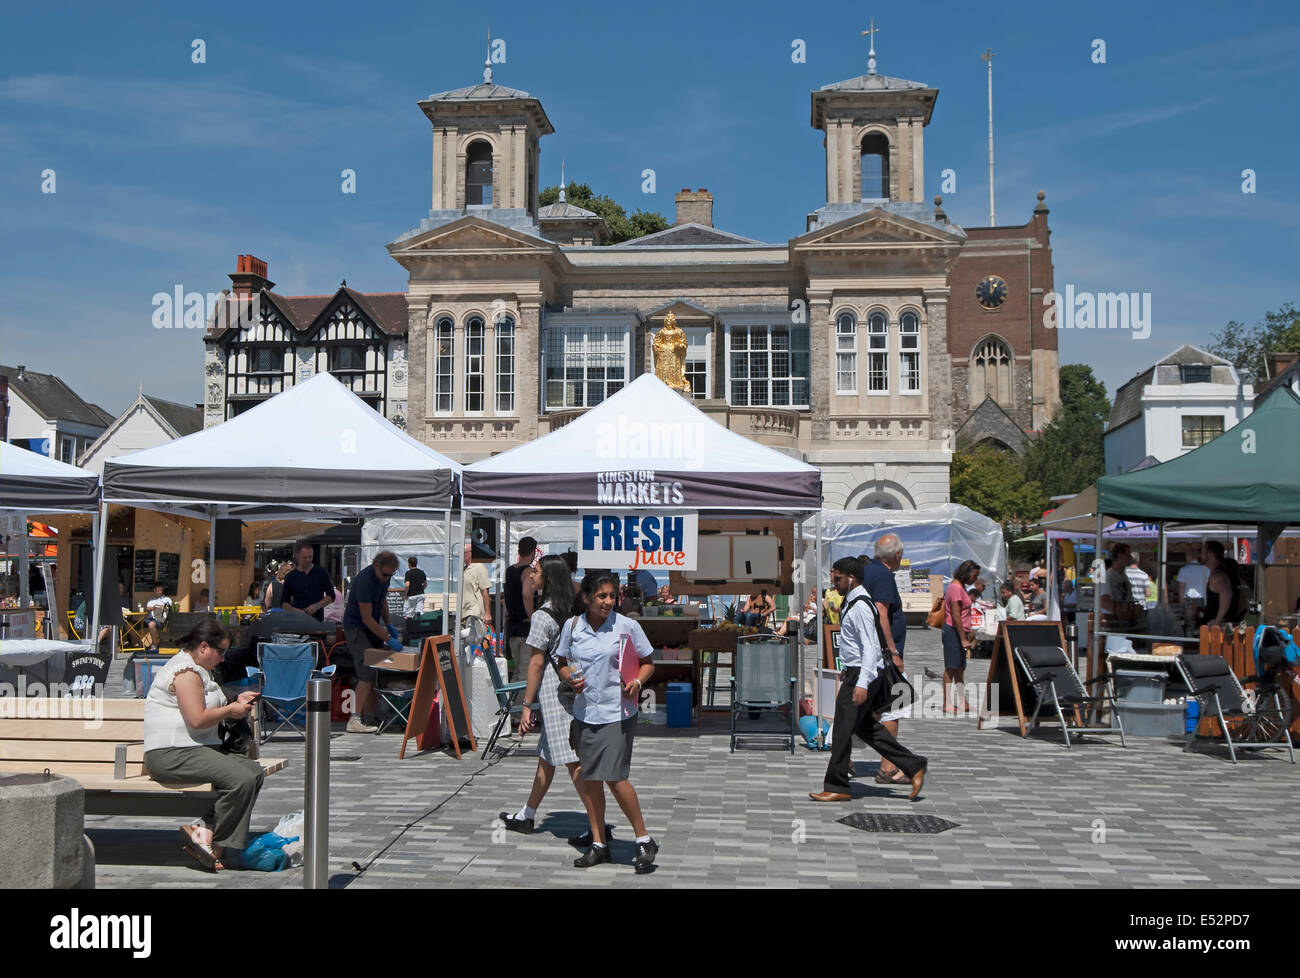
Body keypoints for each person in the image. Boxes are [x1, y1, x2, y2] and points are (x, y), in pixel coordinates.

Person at [555, 571, 658, 872]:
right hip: (585, 713)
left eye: (612, 596)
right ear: (587, 598)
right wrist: (569, 679)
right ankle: (599, 843)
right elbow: (562, 662)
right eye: (602, 596)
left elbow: (648, 663)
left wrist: (637, 682)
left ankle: (643, 838)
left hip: (618, 712)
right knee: (591, 778)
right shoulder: (572, 627)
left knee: (614, 777)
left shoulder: (628, 626)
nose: (608, 601)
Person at [500, 556, 606, 845]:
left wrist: (526, 705)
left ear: (547, 578)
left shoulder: (542, 616)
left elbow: (536, 662)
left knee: (573, 761)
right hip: (573, 684)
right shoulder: (574, 610)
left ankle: (598, 827)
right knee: (548, 756)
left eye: (535, 572)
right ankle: (527, 814)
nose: (530, 576)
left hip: (554, 691)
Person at [143, 618, 262, 871]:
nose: (223, 659)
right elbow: (196, 719)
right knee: (241, 779)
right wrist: (230, 710)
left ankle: (204, 832)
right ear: (204, 647)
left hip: (194, 750)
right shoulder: (185, 672)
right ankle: (215, 847)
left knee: (253, 772)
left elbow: (212, 701)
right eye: (221, 652)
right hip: (171, 754)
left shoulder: (199, 670)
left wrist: (237, 699)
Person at [809, 556, 927, 803]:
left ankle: (837, 785)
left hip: (864, 675)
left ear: (851, 578)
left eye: (838, 578)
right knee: (866, 728)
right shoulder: (852, 601)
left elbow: (871, 648)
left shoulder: (861, 605)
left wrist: (861, 683)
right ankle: (913, 765)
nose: (834, 583)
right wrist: (848, 667)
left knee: (842, 731)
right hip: (856, 671)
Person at [861, 535, 910, 783]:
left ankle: (844, 759)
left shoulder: (867, 571)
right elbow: (881, 611)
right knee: (893, 707)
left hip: (868, 652)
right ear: (897, 555)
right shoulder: (883, 575)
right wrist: (893, 651)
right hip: (882, 656)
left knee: (865, 708)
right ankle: (887, 768)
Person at [340, 551, 401, 734]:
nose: (387, 578)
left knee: (374, 671)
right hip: (357, 628)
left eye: (391, 575)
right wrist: (387, 638)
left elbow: (382, 601)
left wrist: (388, 623)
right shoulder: (364, 581)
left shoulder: (384, 577)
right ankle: (354, 719)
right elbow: (366, 618)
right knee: (365, 672)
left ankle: (370, 716)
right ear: (376, 566)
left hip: (372, 627)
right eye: (385, 574)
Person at [942, 561, 979, 713]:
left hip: (959, 631)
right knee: (951, 667)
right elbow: (956, 615)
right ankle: (947, 703)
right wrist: (963, 638)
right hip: (953, 631)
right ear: (966, 573)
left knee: (960, 668)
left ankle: (963, 701)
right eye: (974, 575)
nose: (975, 579)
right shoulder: (956, 587)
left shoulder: (960, 586)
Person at [503, 537, 539, 682]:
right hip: (525, 627)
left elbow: (506, 595)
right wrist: (531, 616)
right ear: (533, 552)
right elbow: (526, 594)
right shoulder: (528, 571)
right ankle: (521, 696)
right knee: (525, 671)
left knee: (517, 670)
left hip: (512, 626)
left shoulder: (510, 570)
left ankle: (512, 695)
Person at [281, 542, 334, 621]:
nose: (308, 560)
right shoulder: (290, 577)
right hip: (297, 620)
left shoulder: (321, 572)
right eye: (305, 557)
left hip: (317, 620)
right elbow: (284, 603)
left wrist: (316, 606)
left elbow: (331, 596)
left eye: (310, 557)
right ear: (297, 556)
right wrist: (296, 611)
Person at [1204, 541, 1246, 627]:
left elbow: (1227, 595)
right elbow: (1245, 595)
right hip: (1229, 623)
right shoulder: (1231, 574)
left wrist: (1217, 622)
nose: (1199, 554)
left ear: (1210, 555)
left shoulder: (1218, 575)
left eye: (1201, 551)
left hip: (1220, 626)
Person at [1100, 543, 1140, 623]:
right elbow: (1104, 602)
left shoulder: (1124, 576)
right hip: (1112, 621)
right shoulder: (1109, 576)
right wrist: (1121, 613)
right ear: (1120, 555)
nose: (1130, 557)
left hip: (1123, 621)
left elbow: (1128, 599)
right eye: (1128, 554)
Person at [460, 541, 492, 636]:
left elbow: (485, 590)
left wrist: (487, 613)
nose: (461, 555)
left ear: (471, 553)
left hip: (475, 613)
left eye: (464, 552)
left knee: (475, 640)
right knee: (468, 641)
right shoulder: (464, 569)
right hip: (466, 614)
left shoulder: (478, 567)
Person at [1176, 548, 1210, 623]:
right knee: (1201, 622)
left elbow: (1181, 588)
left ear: (1188, 557)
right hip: (1202, 600)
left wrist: (1181, 603)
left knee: (1189, 622)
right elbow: (1208, 586)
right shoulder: (1206, 570)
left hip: (1188, 600)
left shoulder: (1183, 570)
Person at [145, 581, 173, 647]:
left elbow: (172, 610)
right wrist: (151, 608)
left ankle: (154, 644)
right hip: (151, 619)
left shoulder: (167, 599)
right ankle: (150, 643)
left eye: (161, 590)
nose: (160, 592)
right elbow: (147, 609)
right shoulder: (151, 600)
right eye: (158, 590)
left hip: (162, 620)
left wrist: (164, 608)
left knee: (151, 624)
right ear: (154, 590)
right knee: (147, 623)